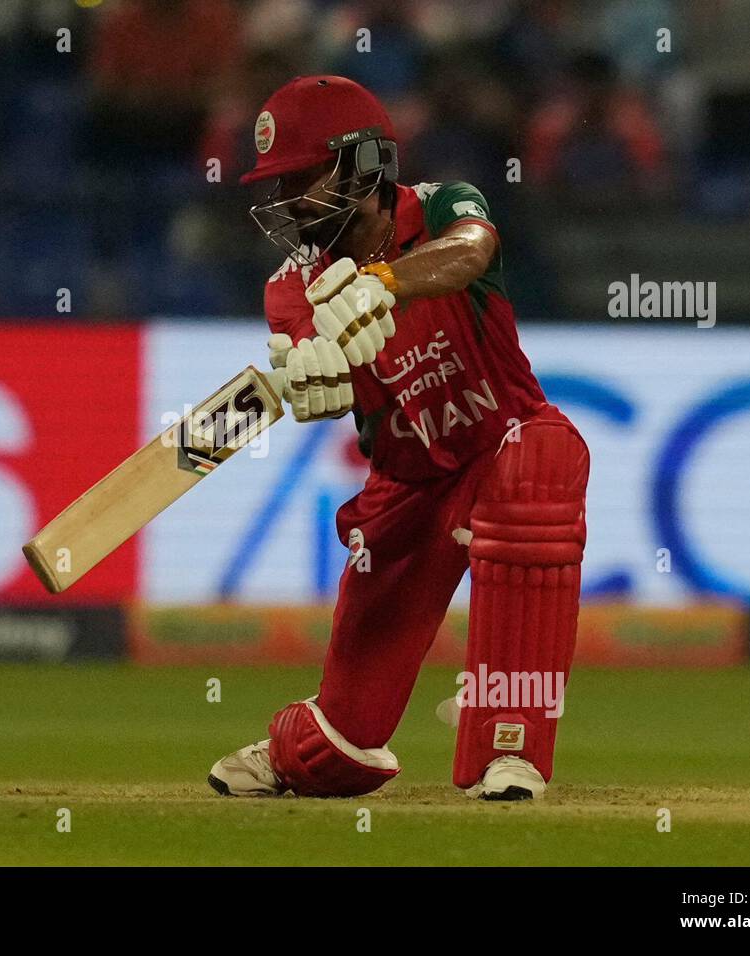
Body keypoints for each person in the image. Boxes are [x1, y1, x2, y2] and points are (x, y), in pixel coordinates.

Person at [209, 76, 590, 800]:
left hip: (500, 440)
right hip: (405, 488)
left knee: (539, 464)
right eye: (278, 185)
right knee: (335, 750)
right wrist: (311, 372)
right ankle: (292, 749)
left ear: (361, 166)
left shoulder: (444, 204)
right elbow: (314, 371)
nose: (287, 202)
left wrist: (382, 282)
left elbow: (471, 252)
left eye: (300, 179)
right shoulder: (290, 287)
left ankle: (509, 748)